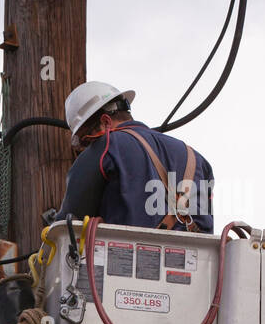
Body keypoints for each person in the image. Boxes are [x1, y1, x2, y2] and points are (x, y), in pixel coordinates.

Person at [55, 81, 214, 232]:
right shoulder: (198, 160)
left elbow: (69, 221)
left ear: (106, 122)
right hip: (196, 260)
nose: (87, 148)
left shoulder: (108, 146)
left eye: (86, 140)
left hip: (124, 258)